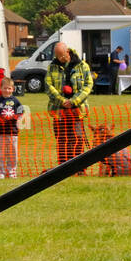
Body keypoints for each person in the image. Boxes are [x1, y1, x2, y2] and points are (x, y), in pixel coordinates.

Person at [45, 42, 93, 170]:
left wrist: (74, 101)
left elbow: (88, 86)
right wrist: (62, 101)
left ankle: (79, 168)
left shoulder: (83, 66)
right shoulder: (52, 67)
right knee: (62, 139)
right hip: (59, 110)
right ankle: (62, 168)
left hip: (77, 110)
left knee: (77, 138)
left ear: (68, 52)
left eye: (62, 55)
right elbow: (49, 86)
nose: (60, 58)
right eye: (57, 56)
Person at [0, 76, 25, 178]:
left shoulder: (15, 101)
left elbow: (21, 113)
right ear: (0, 88)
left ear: (13, 89)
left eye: (9, 88)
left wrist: (15, 118)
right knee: (0, 153)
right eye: (5, 88)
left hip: (12, 132)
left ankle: (12, 171)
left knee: (12, 153)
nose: (7, 90)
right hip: (0, 132)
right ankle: (1, 172)